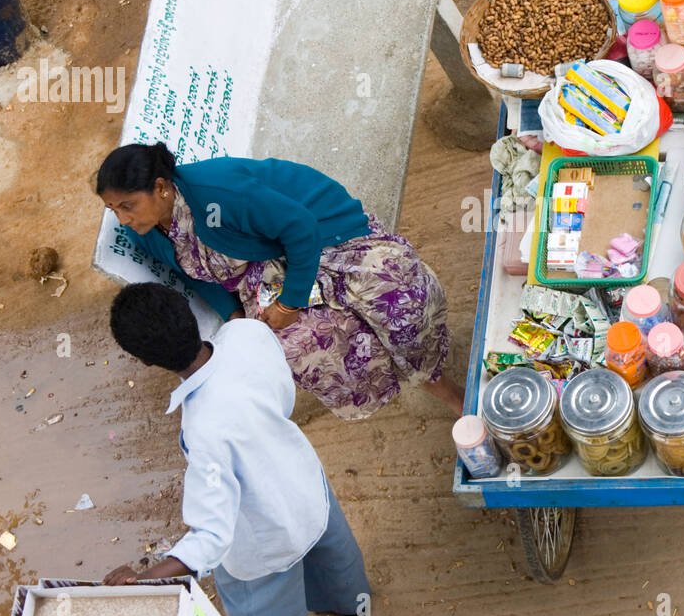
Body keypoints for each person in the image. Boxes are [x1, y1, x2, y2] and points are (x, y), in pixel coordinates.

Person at [95, 142, 465, 419]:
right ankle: (389, 381)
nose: (122, 219)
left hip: (326, 238)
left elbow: (299, 226)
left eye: (128, 206)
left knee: (395, 296)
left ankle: (439, 383)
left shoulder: (217, 193)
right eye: (113, 209)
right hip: (259, 271)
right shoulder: (144, 231)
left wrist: (290, 302)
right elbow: (197, 274)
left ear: (161, 188)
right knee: (301, 349)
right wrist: (234, 316)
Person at [101, 282, 372, 616]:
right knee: (334, 557)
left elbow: (213, 534)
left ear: (147, 361)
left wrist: (145, 578)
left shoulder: (203, 428)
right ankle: (352, 609)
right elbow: (280, 398)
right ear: (189, 315)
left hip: (263, 540)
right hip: (305, 484)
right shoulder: (247, 333)